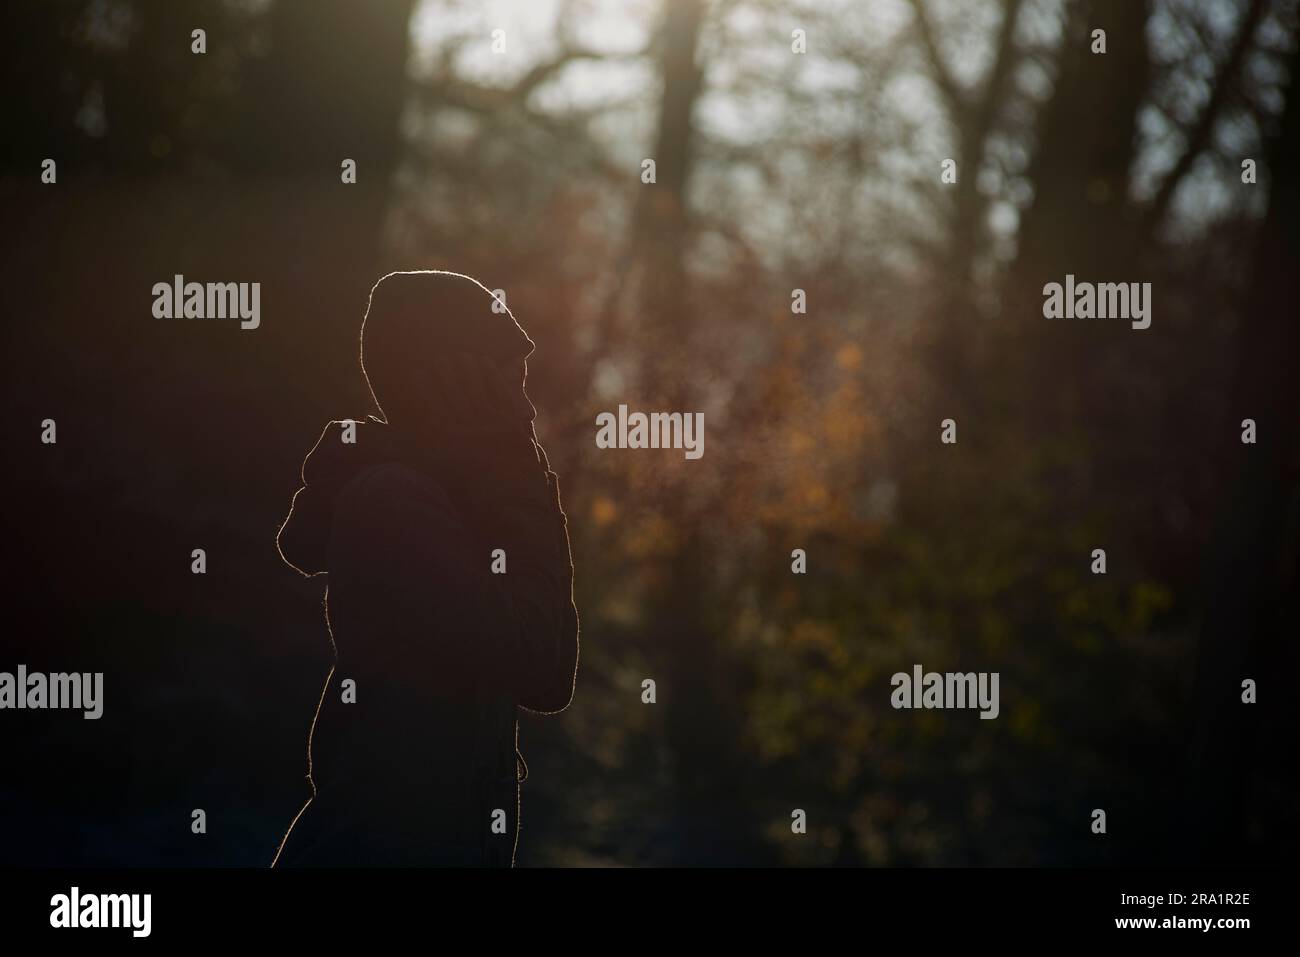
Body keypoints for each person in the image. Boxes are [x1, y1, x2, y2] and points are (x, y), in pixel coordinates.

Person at [271, 270, 579, 867]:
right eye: (504, 380)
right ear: (449, 385)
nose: (523, 404)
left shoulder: (447, 500)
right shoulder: (394, 503)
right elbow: (545, 665)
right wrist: (518, 476)